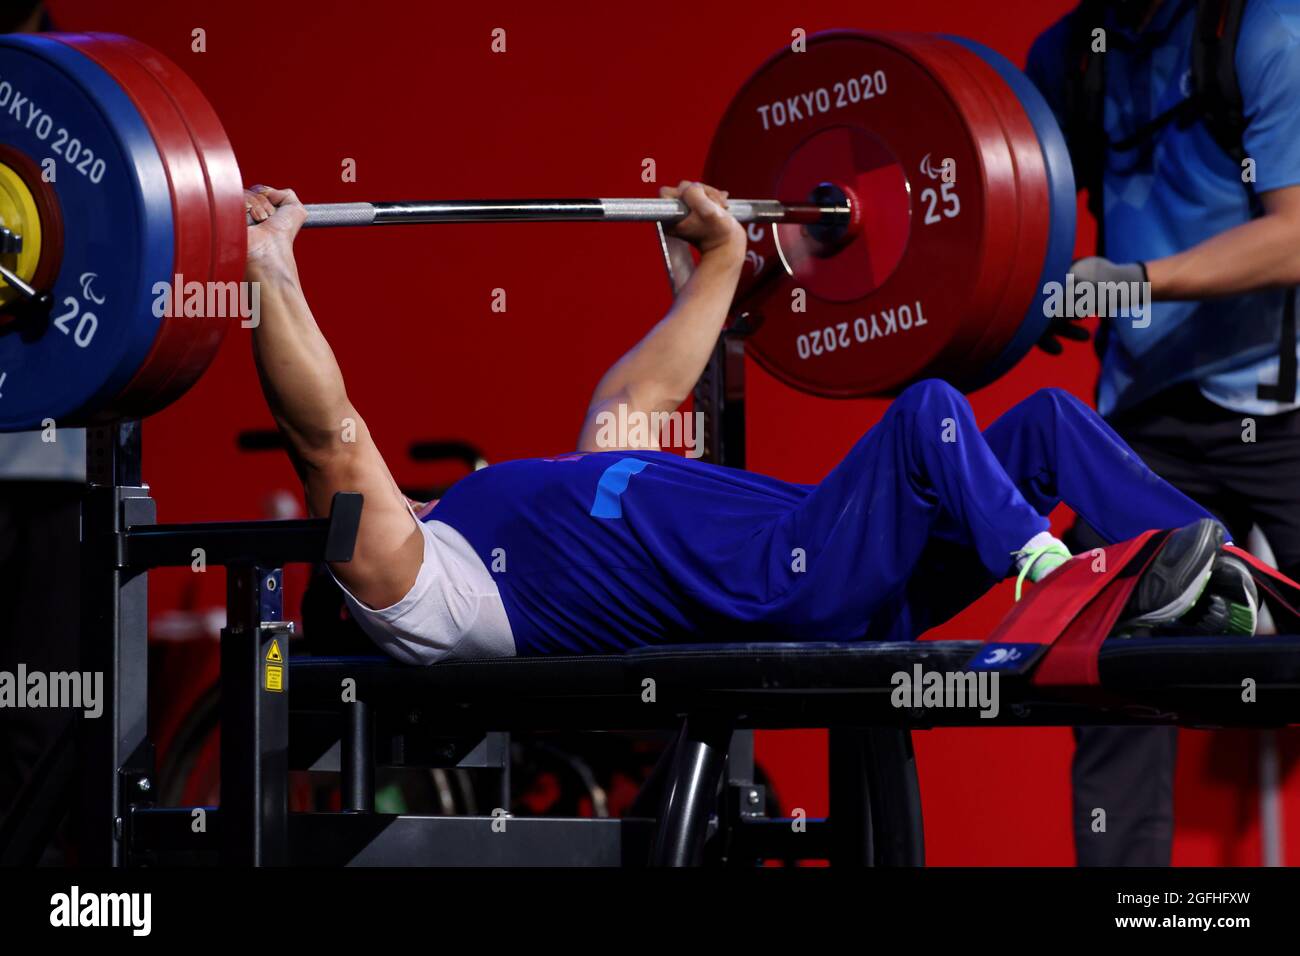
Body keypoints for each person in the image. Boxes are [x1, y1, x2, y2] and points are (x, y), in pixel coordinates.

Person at [242, 179, 1254, 664]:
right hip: (786, 582)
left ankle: (1225, 584)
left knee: (1043, 421)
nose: (389, 494)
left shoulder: (515, 512)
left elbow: (633, 405)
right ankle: (1052, 574)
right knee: (929, 414)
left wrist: (720, 261)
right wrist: (270, 262)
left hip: (851, 553)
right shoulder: (434, 592)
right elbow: (328, 432)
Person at [1027, 0, 1300, 866]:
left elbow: (1297, 234)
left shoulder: (1267, 30)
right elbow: (1031, 217)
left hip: (1283, 413)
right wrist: (1026, 295)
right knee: (1114, 674)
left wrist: (1134, 281)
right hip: (1141, 420)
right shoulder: (1068, 55)